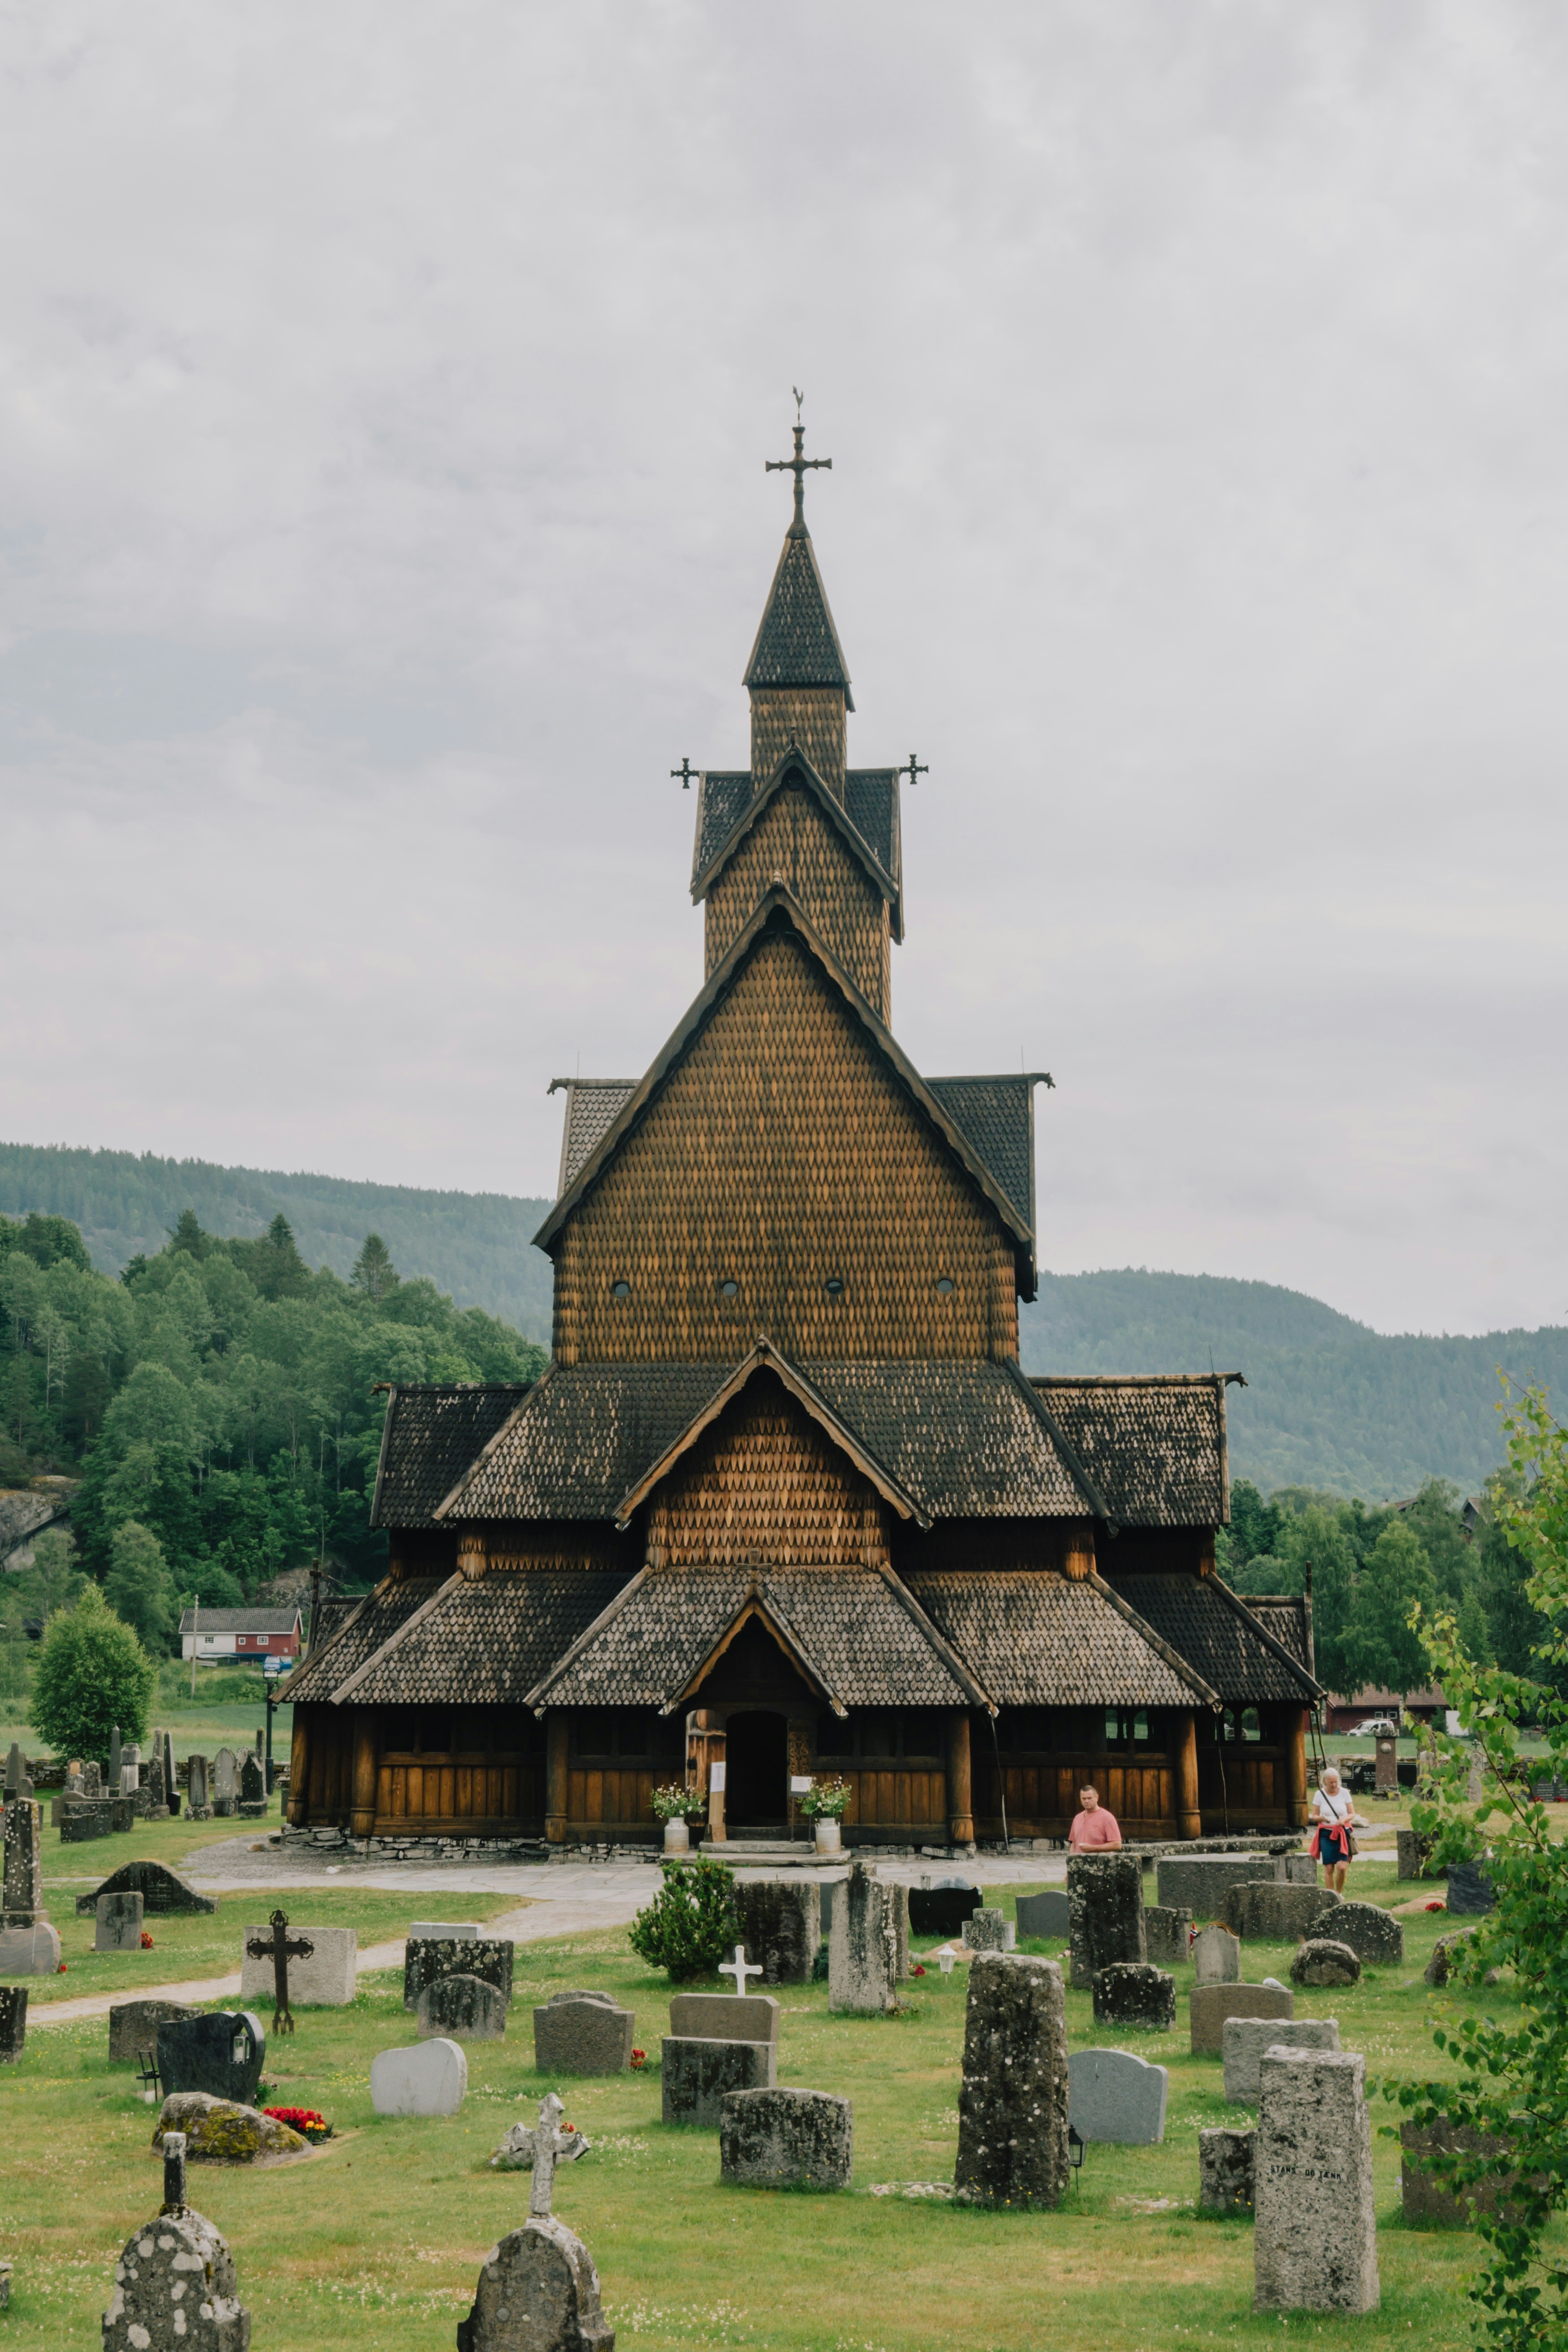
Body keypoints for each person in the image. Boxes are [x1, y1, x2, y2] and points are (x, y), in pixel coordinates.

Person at [1310, 1765, 1354, 1892]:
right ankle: (1331, 1897)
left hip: (1342, 1834)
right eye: (1331, 1783)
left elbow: (1352, 1814)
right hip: (1326, 1835)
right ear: (1325, 1782)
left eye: (1336, 1782)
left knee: (1342, 1867)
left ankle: (1339, 1895)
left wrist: (1344, 1819)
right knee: (1329, 1868)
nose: (1334, 1785)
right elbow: (1314, 1816)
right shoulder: (1320, 1794)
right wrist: (1322, 1819)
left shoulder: (1345, 1793)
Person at [1068, 1784, 1122, 1850]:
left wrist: (1092, 1848)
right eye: (1084, 1799)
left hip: (1098, 1859)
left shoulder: (1108, 1818)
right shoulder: (1077, 1818)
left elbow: (1117, 1845)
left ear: (1097, 1798)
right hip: (1079, 1859)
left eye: (1090, 1798)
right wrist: (1071, 1858)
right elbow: (1074, 1845)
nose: (1087, 1801)